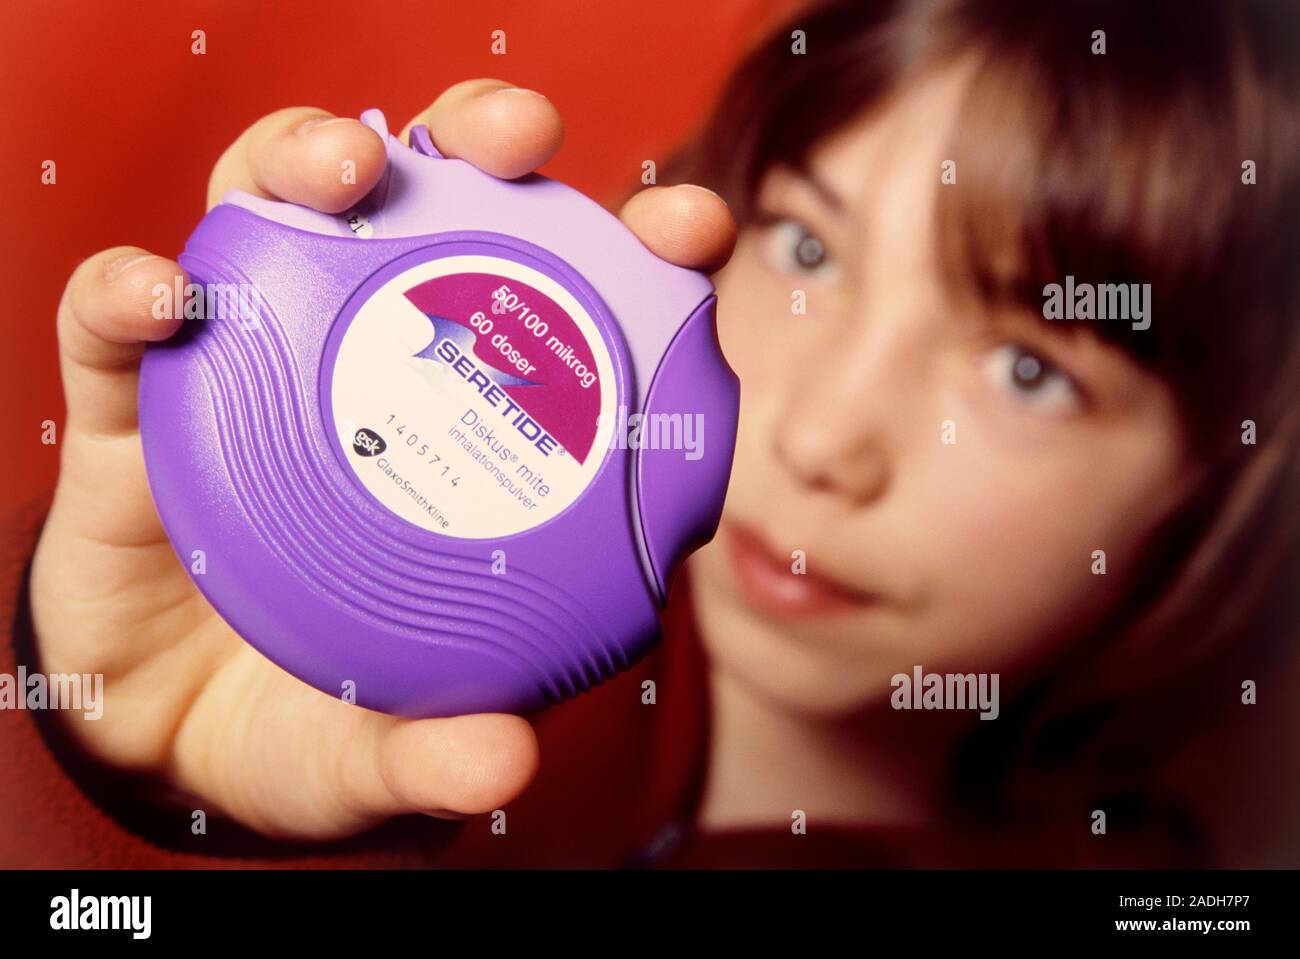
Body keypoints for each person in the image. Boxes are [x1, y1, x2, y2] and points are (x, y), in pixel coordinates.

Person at [2, 0, 1298, 868]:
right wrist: (116, 765)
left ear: (1218, 491)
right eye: (806, 244)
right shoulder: (450, 708)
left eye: (1030, 366)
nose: (823, 438)